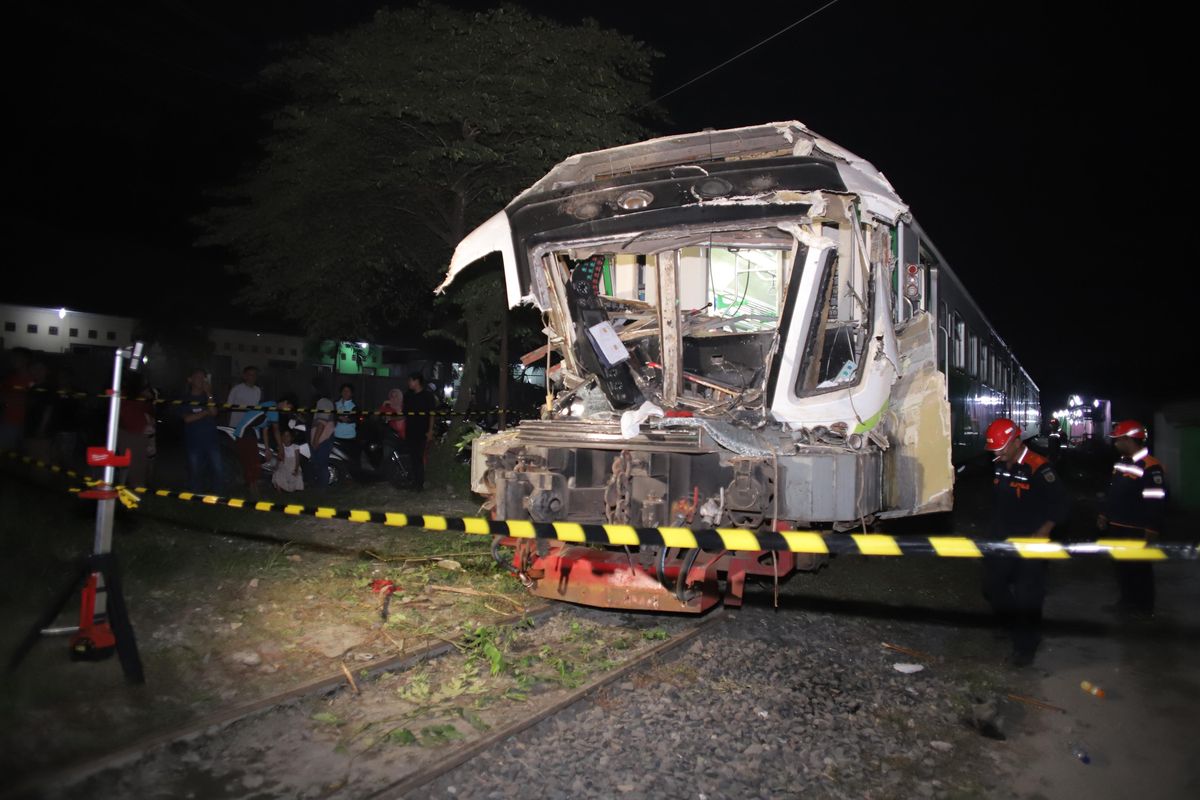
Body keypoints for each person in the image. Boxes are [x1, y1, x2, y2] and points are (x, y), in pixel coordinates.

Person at [982, 417, 1069, 667]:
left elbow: (1061, 505)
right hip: (1002, 541)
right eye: (993, 452)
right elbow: (1000, 504)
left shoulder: (1039, 468)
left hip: (1031, 543)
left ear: (1016, 442)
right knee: (992, 587)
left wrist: (1044, 531)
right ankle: (1010, 624)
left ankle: (1025, 647)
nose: (996, 456)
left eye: (1000, 450)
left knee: (1027, 597)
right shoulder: (1000, 465)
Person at [1098, 419, 1166, 618]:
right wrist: (1104, 514)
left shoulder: (1151, 466)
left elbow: (1155, 501)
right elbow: (1113, 492)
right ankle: (1126, 603)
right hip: (1117, 526)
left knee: (1140, 570)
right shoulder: (1121, 463)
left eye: (1118, 439)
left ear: (1129, 439)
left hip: (1136, 528)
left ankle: (1144, 609)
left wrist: (1152, 528)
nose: (1115, 443)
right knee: (1122, 568)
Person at [180, 369, 223, 494]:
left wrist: (209, 393)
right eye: (198, 377)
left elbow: (214, 412)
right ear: (190, 379)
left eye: (203, 377)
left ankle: (217, 496)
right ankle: (195, 496)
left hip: (211, 439)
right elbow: (187, 418)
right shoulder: (185, 398)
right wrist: (205, 412)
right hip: (193, 440)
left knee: (218, 468)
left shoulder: (208, 397)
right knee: (195, 470)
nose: (201, 380)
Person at [227, 366, 263, 494]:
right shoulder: (236, 389)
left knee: (253, 456)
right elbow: (229, 407)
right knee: (244, 456)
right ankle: (249, 482)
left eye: (254, 375)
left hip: (251, 427)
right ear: (244, 376)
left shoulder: (257, 390)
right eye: (250, 374)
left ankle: (252, 482)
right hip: (238, 427)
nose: (252, 377)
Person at [404, 372, 435, 491]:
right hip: (410, 431)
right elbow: (404, 413)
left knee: (419, 457)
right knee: (412, 457)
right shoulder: (408, 395)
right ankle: (414, 482)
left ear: (416, 381)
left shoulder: (427, 396)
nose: (408, 383)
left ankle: (419, 483)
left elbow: (432, 414)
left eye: (410, 380)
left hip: (422, 432)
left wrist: (430, 431)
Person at [0, 347, 33, 452]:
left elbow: (33, 401)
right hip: (9, 421)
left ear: (26, 360)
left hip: (28, 424)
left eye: (16, 357)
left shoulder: (33, 379)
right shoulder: (9, 378)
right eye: (12, 357)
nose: (13, 360)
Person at [308, 396, 337, 489]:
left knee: (321, 464)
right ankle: (320, 487)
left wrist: (316, 440)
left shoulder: (323, 401)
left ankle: (322, 488)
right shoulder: (324, 402)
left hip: (323, 438)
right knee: (319, 464)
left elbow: (322, 423)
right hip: (323, 437)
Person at [334, 383, 360, 477]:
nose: (345, 392)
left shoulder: (354, 406)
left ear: (351, 394)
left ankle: (351, 476)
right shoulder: (335, 404)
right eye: (344, 390)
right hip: (336, 435)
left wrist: (341, 418)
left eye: (348, 391)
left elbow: (352, 419)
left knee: (349, 458)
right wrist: (341, 418)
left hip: (349, 437)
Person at [271, 428, 304, 492]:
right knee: (278, 473)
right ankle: (279, 490)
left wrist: (296, 468)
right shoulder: (281, 447)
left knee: (296, 476)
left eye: (288, 436)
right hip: (284, 464)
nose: (286, 437)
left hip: (293, 464)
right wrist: (276, 466)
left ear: (291, 438)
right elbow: (279, 458)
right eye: (284, 436)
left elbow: (297, 459)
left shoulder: (295, 446)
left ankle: (291, 489)